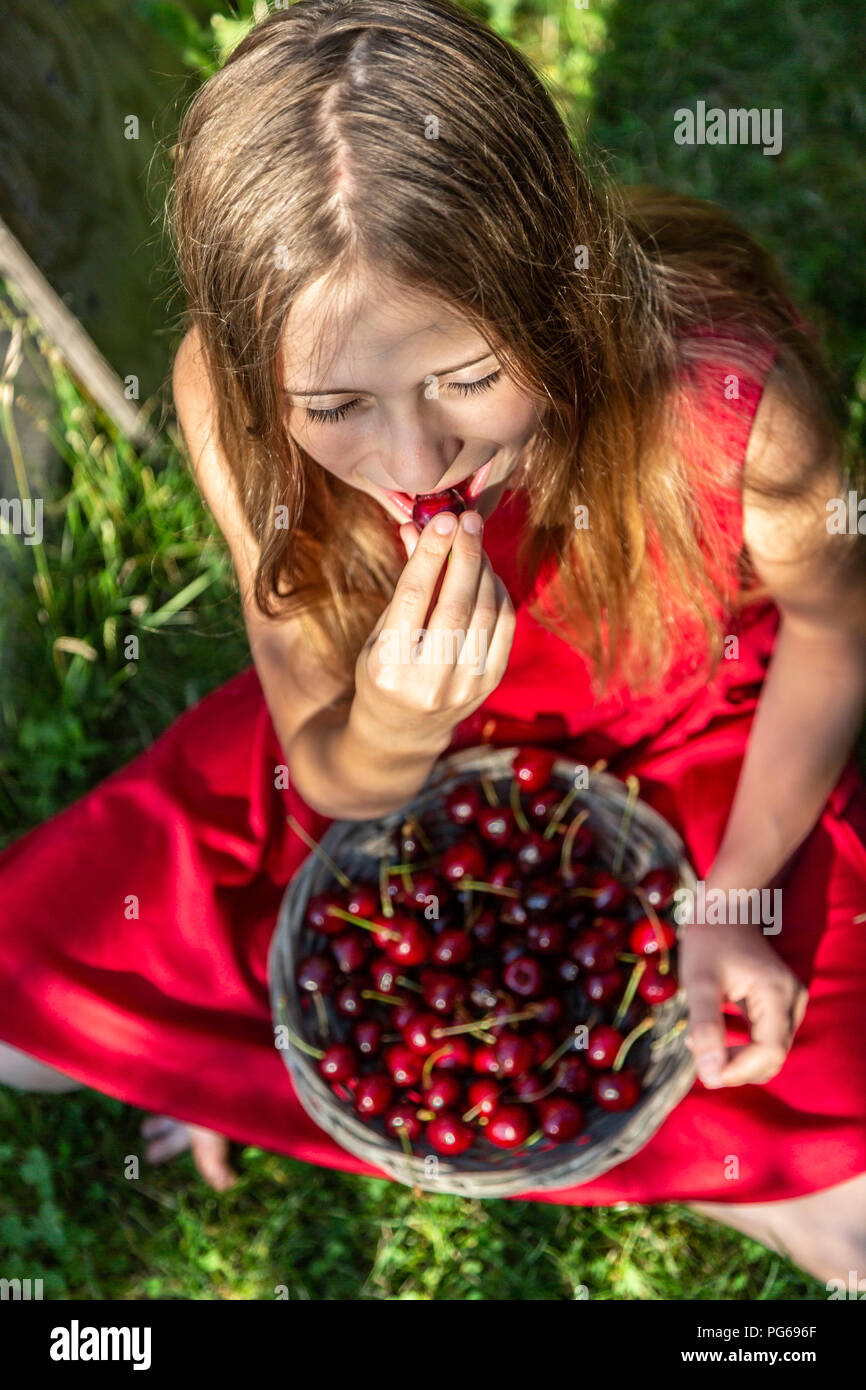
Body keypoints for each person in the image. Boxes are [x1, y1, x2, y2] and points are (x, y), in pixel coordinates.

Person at [1, 0, 864, 1285]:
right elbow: (321, 766)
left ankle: (761, 1177)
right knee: (26, 1009)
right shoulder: (226, 399)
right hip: (379, 757)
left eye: (463, 378)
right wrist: (399, 724)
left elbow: (834, 633)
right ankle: (718, 1168)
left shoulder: (723, 399)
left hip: (694, 727)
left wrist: (731, 894)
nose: (413, 464)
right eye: (336, 406)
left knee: (822, 1121)